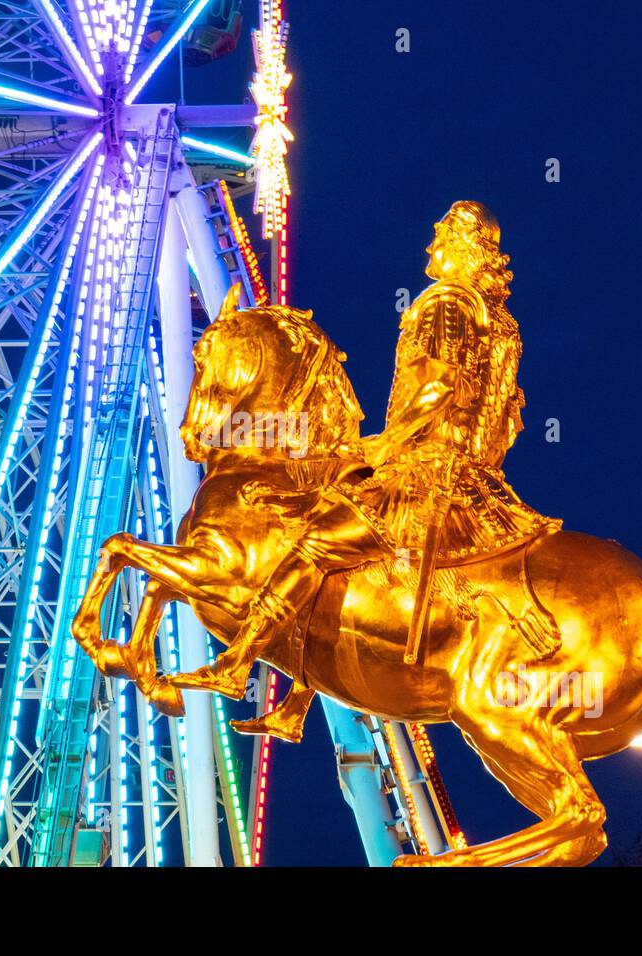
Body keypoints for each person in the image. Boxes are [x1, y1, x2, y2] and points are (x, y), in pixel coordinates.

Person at [170, 203, 562, 734]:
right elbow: (507, 419)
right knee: (344, 572)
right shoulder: (502, 326)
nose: (432, 246)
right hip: (480, 486)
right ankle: (294, 705)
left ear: (464, 244)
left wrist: (381, 448)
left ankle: (235, 665)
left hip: (423, 475)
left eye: (442, 234)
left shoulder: (446, 302)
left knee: (313, 543)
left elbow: (435, 388)